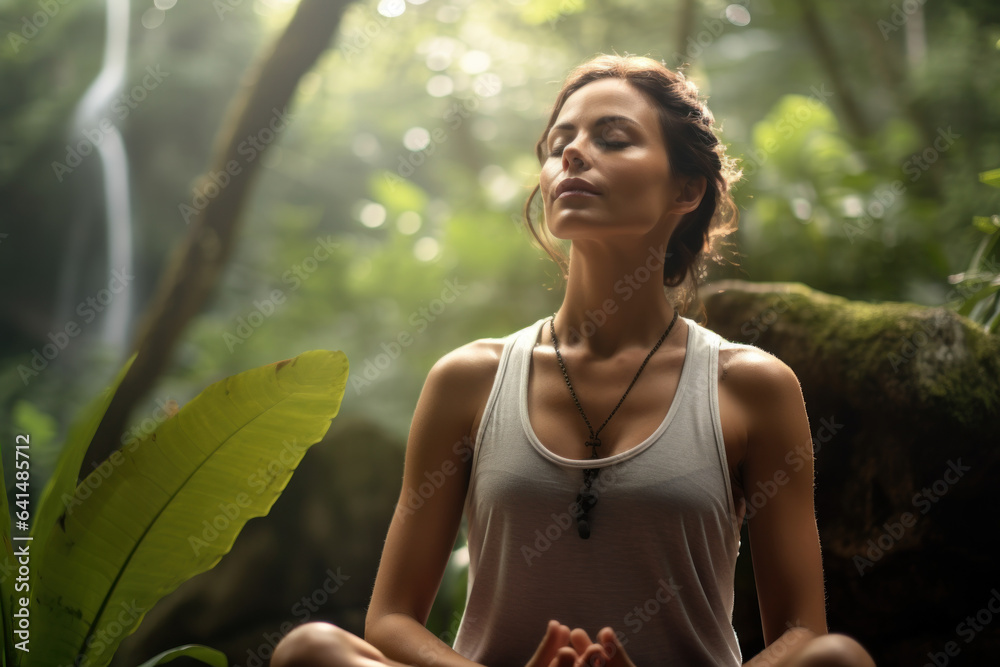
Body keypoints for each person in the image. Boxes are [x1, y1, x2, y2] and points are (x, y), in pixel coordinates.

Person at [272, 54, 877, 667]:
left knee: (839, 660)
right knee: (310, 650)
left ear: (686, 190)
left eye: (612, 138)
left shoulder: (751, 387)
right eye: (560, 142)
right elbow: (392, 618)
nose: (573, 154)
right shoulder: (469, 380)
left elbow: (802, 631)